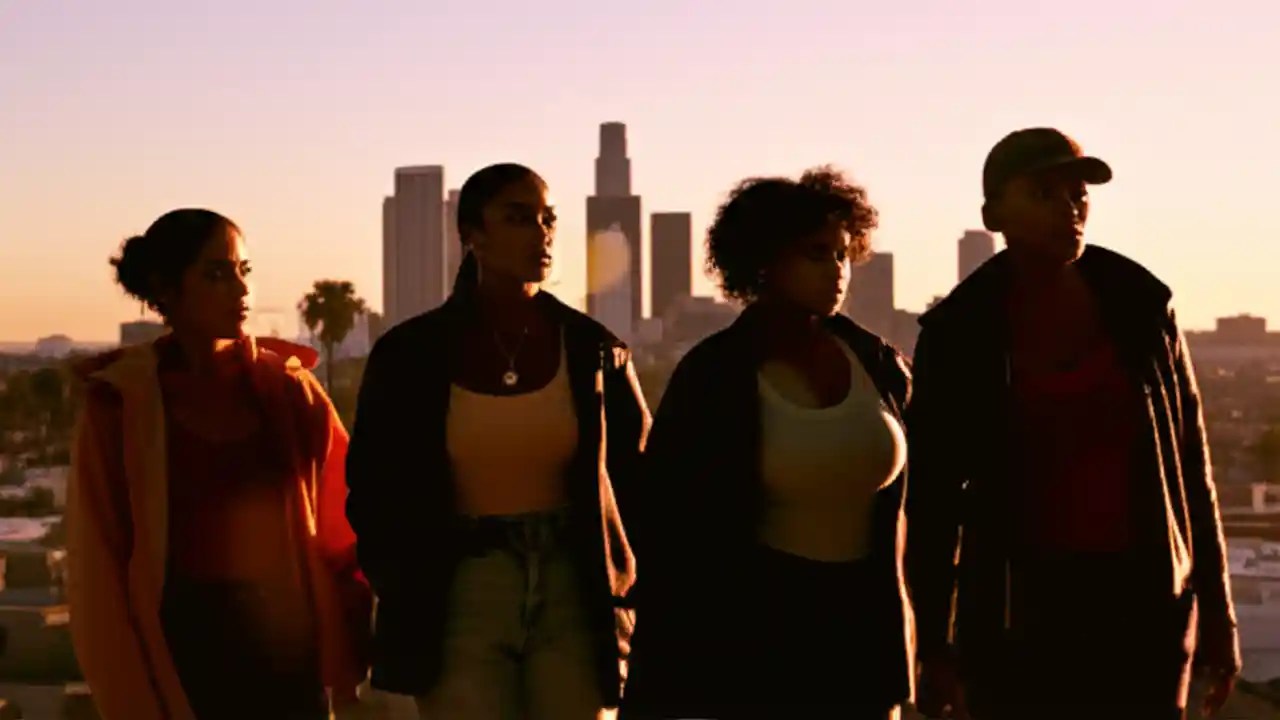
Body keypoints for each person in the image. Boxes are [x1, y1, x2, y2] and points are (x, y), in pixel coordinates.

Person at [906, 128, 1241, 720]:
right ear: (993, 214)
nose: (1070, 207)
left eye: (1078, 194)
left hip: (1145, 609)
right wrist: (931, 646)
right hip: (1019, 620)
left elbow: (1190, 465)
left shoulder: (1142, 303)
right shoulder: (960, 331)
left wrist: (1218, 614)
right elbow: (931, 501)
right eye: (1043, 192)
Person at [345, 163, 649, 719]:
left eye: (547, 219)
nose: (542, 233)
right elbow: (372, 486)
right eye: (518, 218)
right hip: (459, 589)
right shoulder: (409, 355)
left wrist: (628, 588)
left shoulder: (593, 349)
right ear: (472, 234)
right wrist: (402, 580)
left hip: (574, 586)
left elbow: (641, 478)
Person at [620, 167, 914, 720]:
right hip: (754, 632)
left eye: (843, 253)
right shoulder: (714, 375)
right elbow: (668, 524)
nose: (837, 269)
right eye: (816, 253)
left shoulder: (879, 364)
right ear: (765, 262)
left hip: (863, 630)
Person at [66, 209, 372, 720]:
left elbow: (347, 520)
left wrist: (350, 644)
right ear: (166, 290)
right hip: (182, 651)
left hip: (286, 648)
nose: (239, 289)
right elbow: (99, 565)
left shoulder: (290, 391)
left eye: (242, 272)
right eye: (216, 273)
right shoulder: (120, 406)